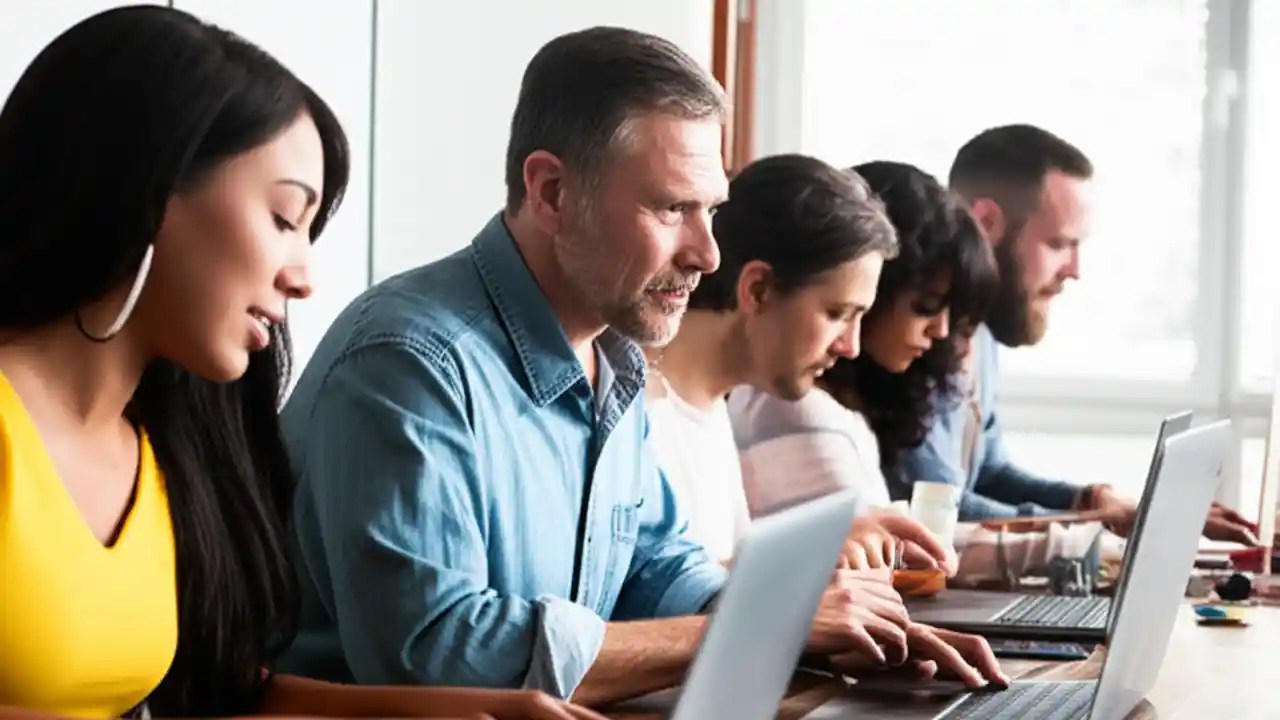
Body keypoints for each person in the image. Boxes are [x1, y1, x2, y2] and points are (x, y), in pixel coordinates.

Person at [276, 26, 927, 709]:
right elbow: (439, 657)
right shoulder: (409, 365)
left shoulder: (614, 359)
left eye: (711, 211)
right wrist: (753, 626)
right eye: (674, 207)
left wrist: (818, 623)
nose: (708, 254)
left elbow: (656, 567)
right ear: (553, 192)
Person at [0, 6, 601, 719]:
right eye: (285, 219)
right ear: (148, 188)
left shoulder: (172, 453)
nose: (303, 275)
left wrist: (483, 710)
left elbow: (222, 697)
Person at [648, 154, 1008, 689]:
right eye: (838, 313)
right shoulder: (638, 418)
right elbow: (643, 616)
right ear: (758, 290)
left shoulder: (712, 412)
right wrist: (800, 588)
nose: (851, 345)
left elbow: (712, 599)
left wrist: (840, 636)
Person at [727, 160, 1101, 585]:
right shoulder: (793, 406)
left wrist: (1082, 512)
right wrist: (1068, 540)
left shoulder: (842, 412)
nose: (941, 334)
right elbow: (898, 563)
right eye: (925, 306)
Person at [898, 125, 1257, 544]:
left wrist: (1094, 501)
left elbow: (990, 473)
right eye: (1057, 243)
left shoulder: (983, 335)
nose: (1074, 269)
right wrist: (1093, 525)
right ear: (986, 223)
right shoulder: (911, 342)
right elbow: (937, 508)